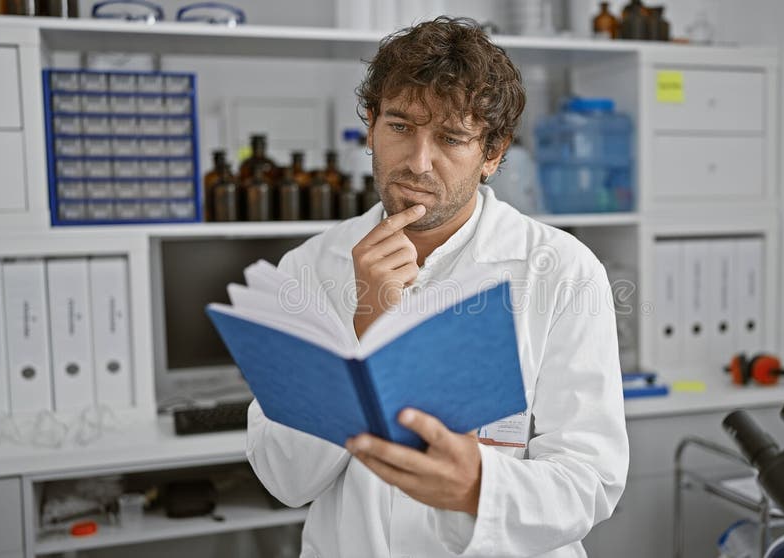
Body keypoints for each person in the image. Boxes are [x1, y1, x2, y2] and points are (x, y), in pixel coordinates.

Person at [247, 17, 629, 557]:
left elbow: (590, 481)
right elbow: (285, 479)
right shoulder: (306, 269)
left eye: (451, 138)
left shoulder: (560, 270)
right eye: (400, 126)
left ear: (493, 154)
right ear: (372, 124)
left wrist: (477, 487)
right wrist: (364, 328)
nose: (418, 162)